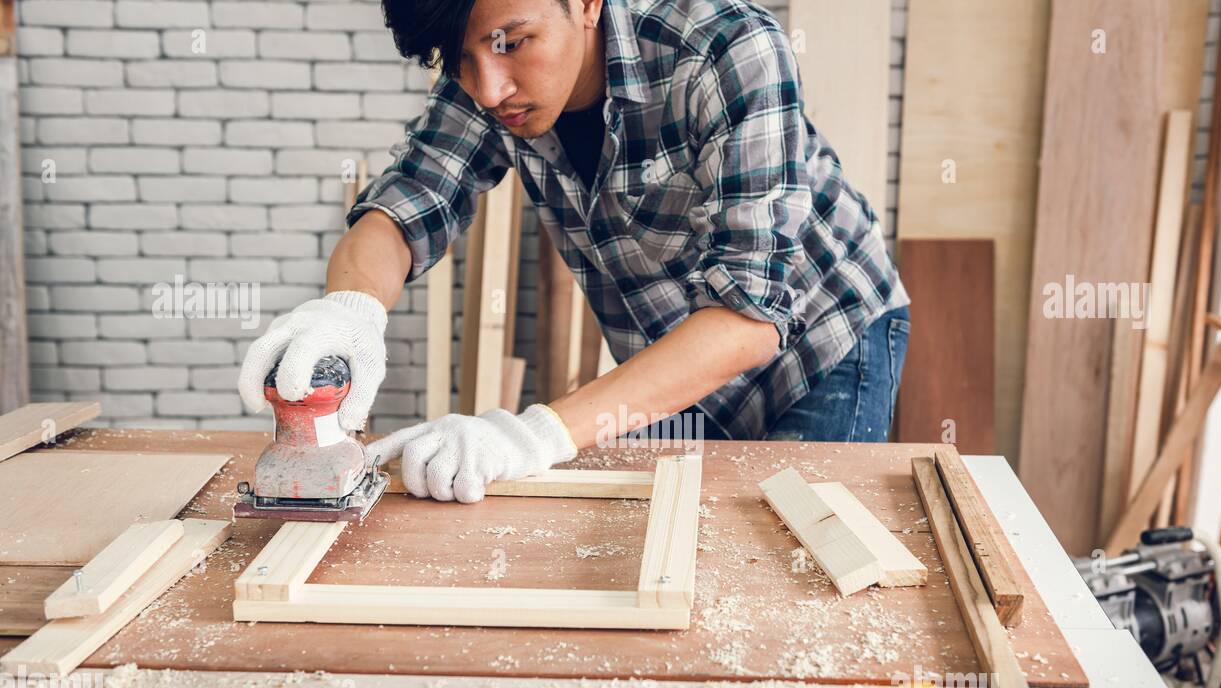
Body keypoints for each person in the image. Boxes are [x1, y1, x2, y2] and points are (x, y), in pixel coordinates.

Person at [238, 0, 909, 503]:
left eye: (513, 45)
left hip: (824, 342)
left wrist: (532, 434)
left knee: (794, 556)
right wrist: (350, 311)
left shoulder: (727, 49)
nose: (489, 89)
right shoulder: (487, 78)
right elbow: (408, 204)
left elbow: (750, 318)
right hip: (681, 361)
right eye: (463, 61)